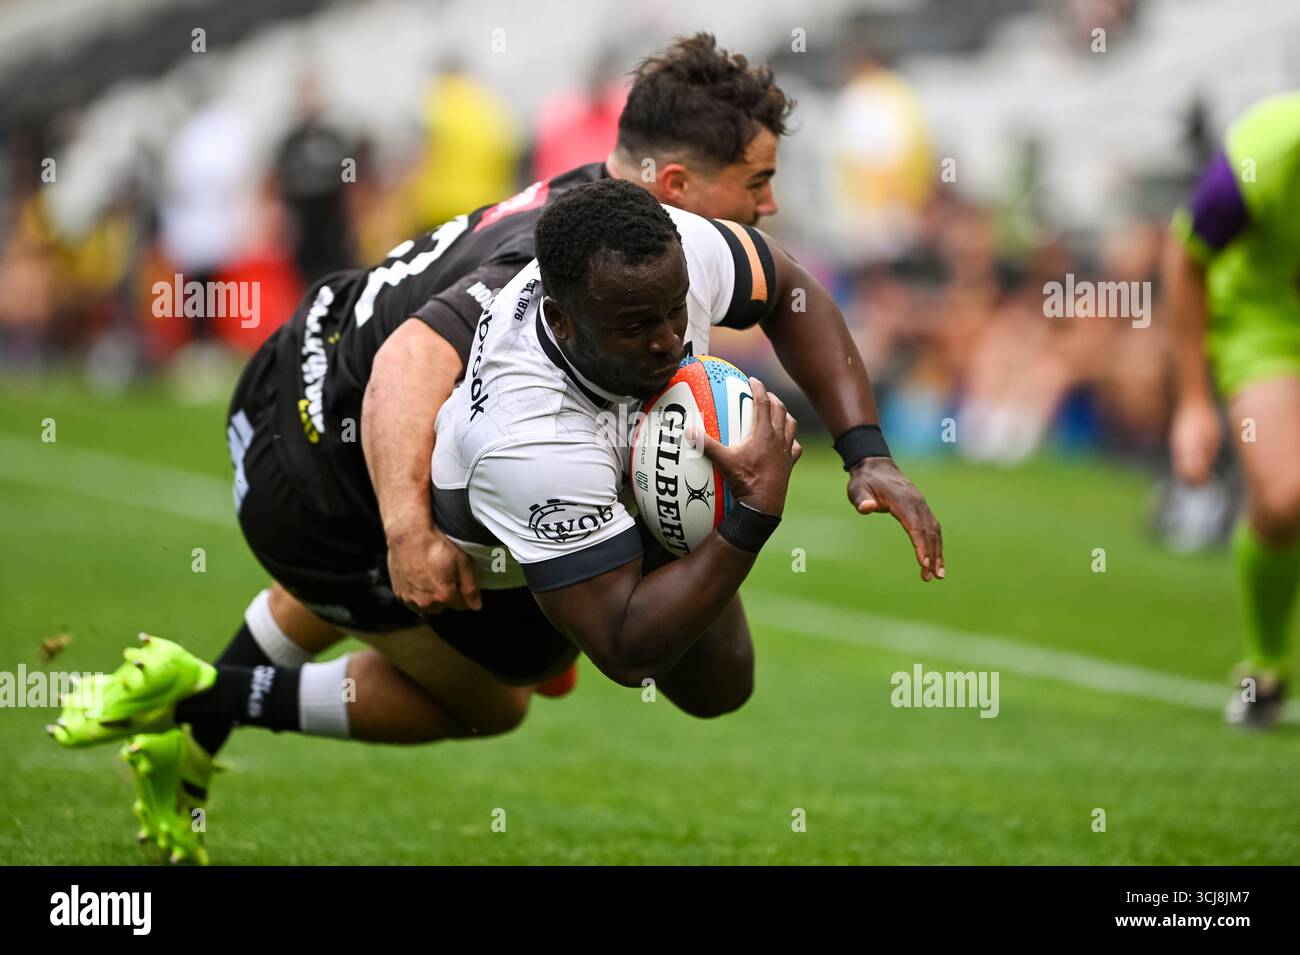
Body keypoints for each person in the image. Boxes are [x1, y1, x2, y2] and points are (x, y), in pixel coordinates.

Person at [51, 36, 943, 864]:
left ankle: (198, 713)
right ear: (673, 182)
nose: (770, 205)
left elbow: (787, 291)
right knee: (505, 689)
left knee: (529, 612)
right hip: (317, 457)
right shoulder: (540, 327)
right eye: (756, 181)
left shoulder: (623, 232)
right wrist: (408, 529)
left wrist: (865, 449)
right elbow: (411, 360)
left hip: (337, 378)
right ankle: (203, 700)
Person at [1166, 91, 1300, 729]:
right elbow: (1186, 254)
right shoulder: (1269, 149)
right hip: (1263, 318)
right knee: (1285, 498)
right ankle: (1266, 665)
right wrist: (1195, 403)